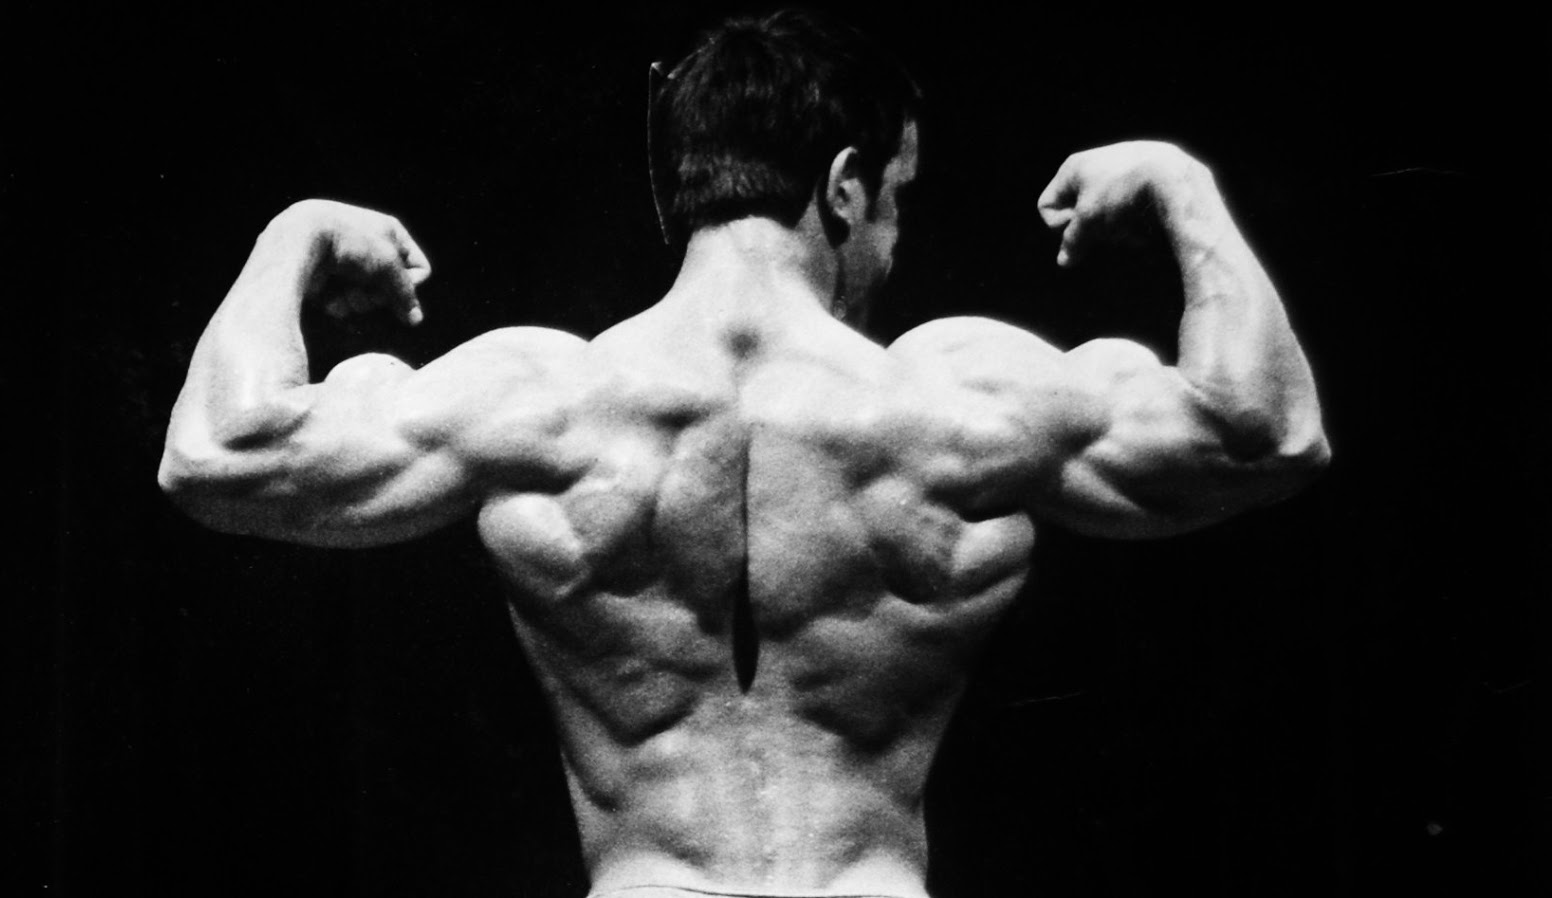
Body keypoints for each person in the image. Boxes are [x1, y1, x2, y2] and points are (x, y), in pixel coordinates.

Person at [158, 9, 1329, 898]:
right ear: (840, 189)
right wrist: (1185, 188)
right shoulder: (959, 393)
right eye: (894, 203)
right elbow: (1267, 430)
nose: (891, 241)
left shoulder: (541, 395)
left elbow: (216, 453)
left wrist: (293, 234)